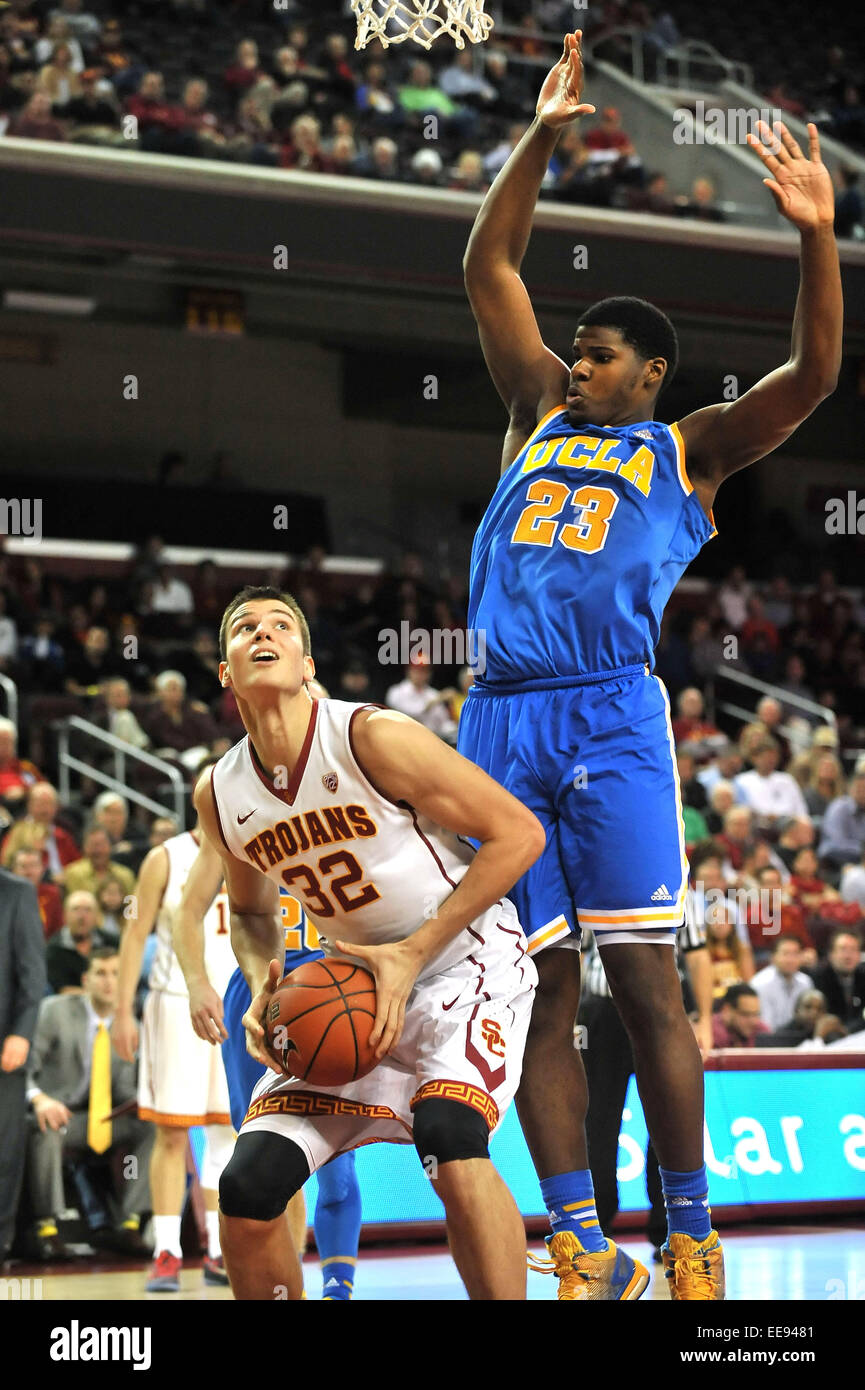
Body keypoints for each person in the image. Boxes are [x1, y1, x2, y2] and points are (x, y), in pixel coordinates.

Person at [458, 28, 841, 1300]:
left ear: (654, 373)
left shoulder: (688, 450)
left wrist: (813, 235)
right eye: (572, 344)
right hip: (498, 723)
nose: (575, 358)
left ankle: (690, 1231)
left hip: (609, 718)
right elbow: (486, 261)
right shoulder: (528, 415)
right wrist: (544, 131)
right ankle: (575, 1237)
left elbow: (815, 374)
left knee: (648, 984)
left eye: (600, 350)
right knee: (540, 993)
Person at [198, 585, 547, 1302]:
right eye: (243, 628)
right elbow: (254, 914)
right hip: (353, 986)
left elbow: (519, 836)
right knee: (248, 1181)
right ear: (225, 671)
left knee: (450, 1137)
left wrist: (413, 952)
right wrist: (264, 979)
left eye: (281, 626)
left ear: (306, 661)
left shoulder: (370, 736)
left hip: (464, 961)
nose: (262, 634)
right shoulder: (220, 789)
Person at [183, 833, 364, 1302]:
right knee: (267, 1156)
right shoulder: (236, 819)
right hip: (259, 992)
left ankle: (337, 1290)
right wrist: (197, 981)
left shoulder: (344, 800)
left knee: (338, 1159)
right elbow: (184, 911)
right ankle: (290, 1289)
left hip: (337, 991)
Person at [112, 816, 236, 1292]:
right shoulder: (164, 858)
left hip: (234, 1003)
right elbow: (132, 933)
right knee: (169, 1132)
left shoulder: (248, 847)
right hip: (173, 1003)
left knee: (228, 1131)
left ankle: (220, 1250)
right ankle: (167, 1249)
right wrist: (123, 1011)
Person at [25, 947, 153, 1260]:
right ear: (86, 979)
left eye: (116, 974)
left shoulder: (130, 1027)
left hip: (99, 1119)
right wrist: (39, 1100)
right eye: (100, 973)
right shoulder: (54, 1011)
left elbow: (123, 1090)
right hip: (52, 1114)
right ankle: (46, 1228)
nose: (109, 982)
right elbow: (24, 1069)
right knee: (48, 1126)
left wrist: (144, 1098)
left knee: (150, 1126)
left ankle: (130, 1222)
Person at [0, 866, 46, 1266]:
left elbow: (33, 975)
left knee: (3, 1151)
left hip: (4, 1044)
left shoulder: (17, 892)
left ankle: (0, 1245)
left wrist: (22, 1032)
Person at [45, 890, 113, 994]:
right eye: (76, 909)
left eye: (88, 910)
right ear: (65, 915)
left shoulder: (112, 942)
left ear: (97, 915)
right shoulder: (53, 949)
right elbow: (63, 989)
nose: (82, 916)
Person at [749, 935, 813, 1032]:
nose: (790, 960)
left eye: (795, 954)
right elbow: (766, 1027)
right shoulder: (760, 984)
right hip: (770, 1040)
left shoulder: (806, 982)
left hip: (799, 1037)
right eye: (785, 954)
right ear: (773, 957)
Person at [807, 929, 865, 1033]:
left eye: (853, 949)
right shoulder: (817, 978)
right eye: (843, 949)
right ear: (831, 954)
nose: (848, 956)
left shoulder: (862, 977)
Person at [10, 846, 63, 938]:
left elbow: (58, 931)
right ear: (13, 870)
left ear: (42, 869)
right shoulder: (5, 895)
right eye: (23, 866)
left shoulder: (52, 894)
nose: (29, 872)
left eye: (33, 865)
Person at [754, 988, 827, 1047]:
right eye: (808, 1007)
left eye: (819, 1009)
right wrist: (818, 1038)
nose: (813, 1013)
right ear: (796, 1010)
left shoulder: (828, 1033)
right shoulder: (781, 1036)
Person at [711, 984, 770, 1048]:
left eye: (756, 1014)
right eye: (746, 1014)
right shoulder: (711, 1034)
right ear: (727, 1010)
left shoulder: (761, 1031)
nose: (753, 1021)